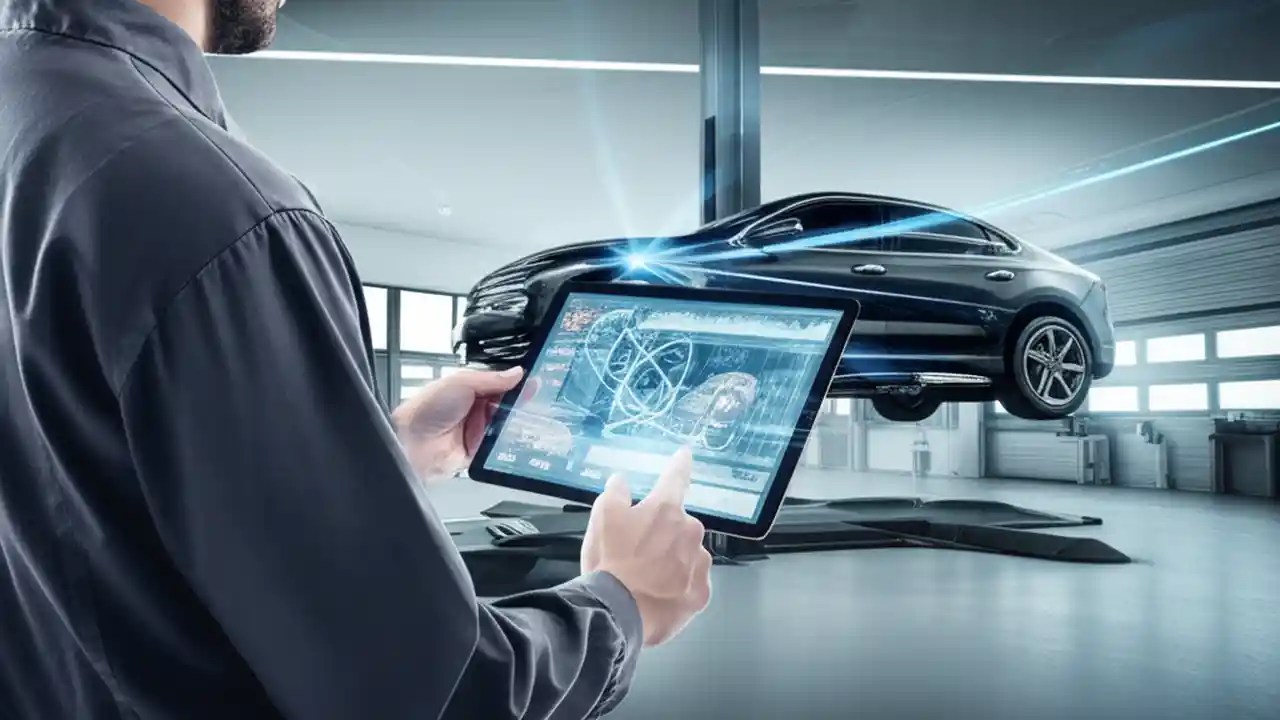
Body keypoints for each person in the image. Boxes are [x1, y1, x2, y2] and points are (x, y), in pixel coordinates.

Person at [0, 1, 712, 718]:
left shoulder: (30, 119)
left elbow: (87, 488)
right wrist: (625, 601)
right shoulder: (216, 206)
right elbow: (428, 694)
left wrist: (369, 456)